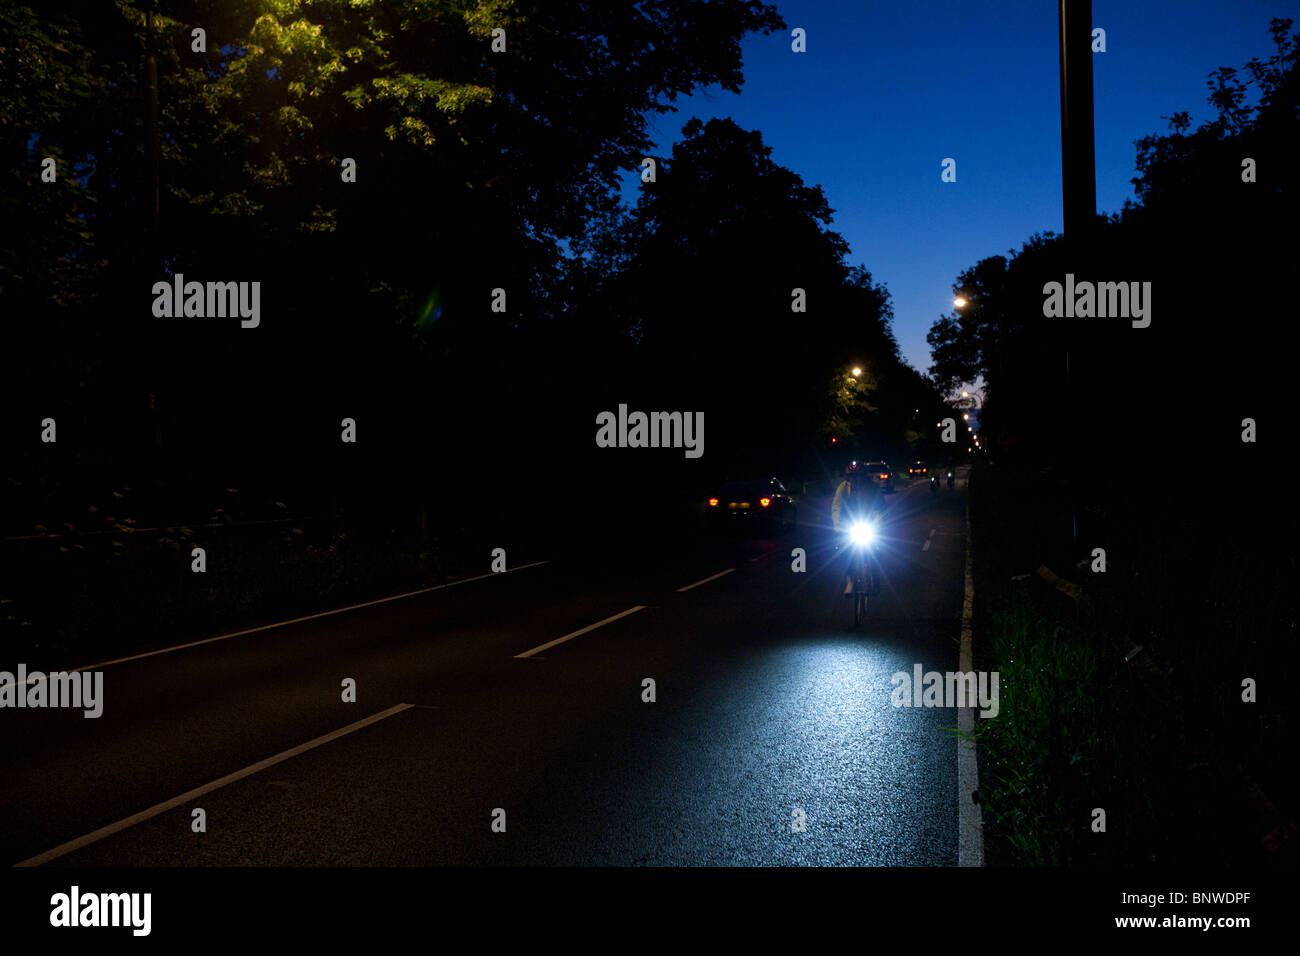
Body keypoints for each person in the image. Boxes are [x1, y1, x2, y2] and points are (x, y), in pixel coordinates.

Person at [831, 462, 886, 595]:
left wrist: (878, 526)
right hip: (848, 524)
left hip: (868, 521)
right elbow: (836, 507)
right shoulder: (842, 488)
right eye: (851, 476)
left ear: (864, 477)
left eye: (858, 476)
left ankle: (874, 574)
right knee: (845, 552)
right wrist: (837, 527)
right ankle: (849, 581)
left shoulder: (873, 488)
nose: (854, 479)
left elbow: (879, 508)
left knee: (876, 548)